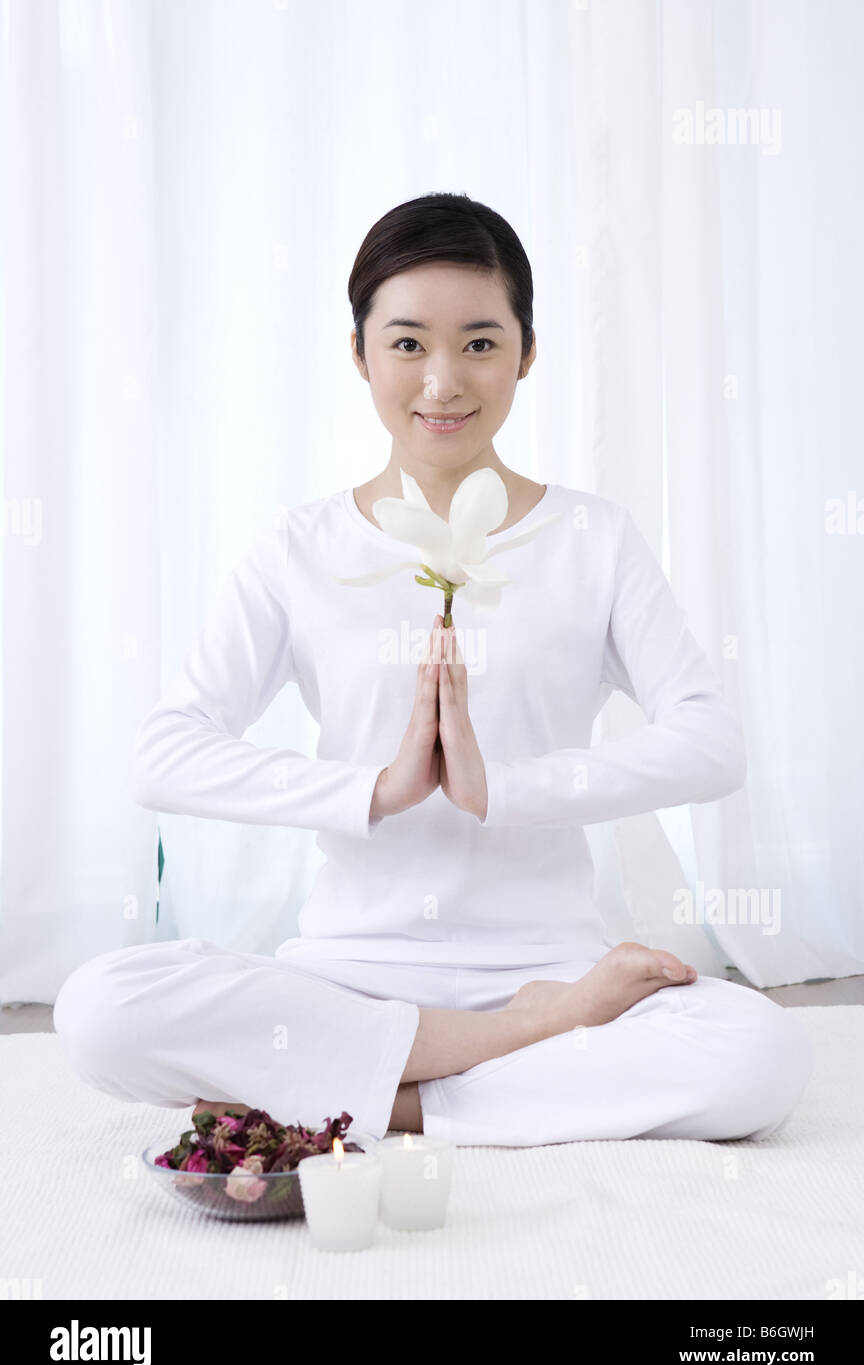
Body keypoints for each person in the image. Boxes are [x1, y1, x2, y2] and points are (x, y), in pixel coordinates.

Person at [53, 193, 813, 1146]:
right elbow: (164, 754)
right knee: (99, 1008)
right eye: (408, 343)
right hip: (349, 974)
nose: (443, 382)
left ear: (527, 354)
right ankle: (515, 1045)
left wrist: (507, 789)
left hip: (548, 958)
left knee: (758, 1057)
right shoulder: (298, 548)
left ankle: (383, 1095)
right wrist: (375, 789)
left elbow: (712, 742)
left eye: (481, 344)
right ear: (361, 354)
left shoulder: (593, 539)